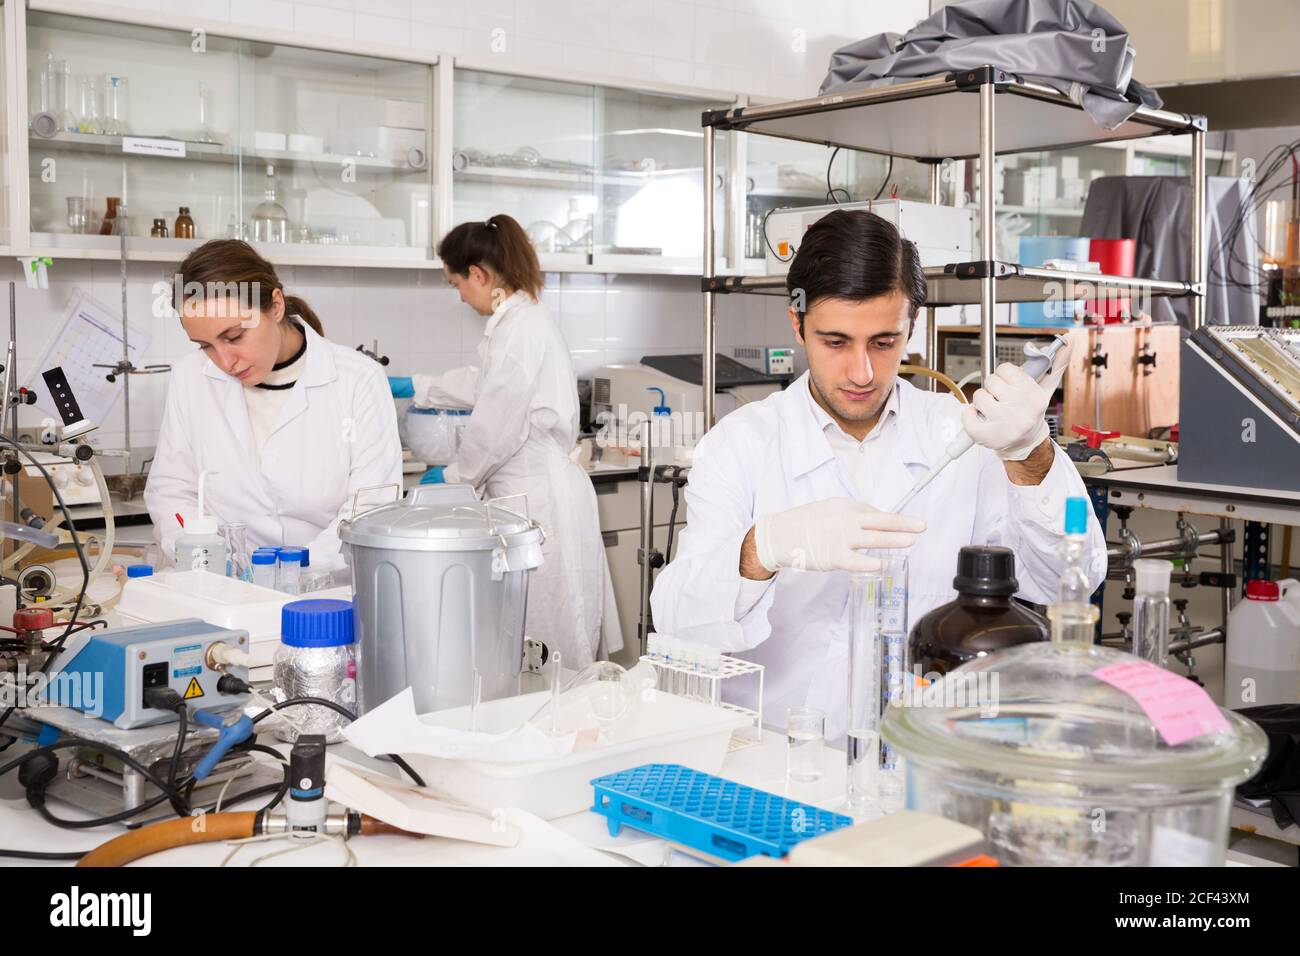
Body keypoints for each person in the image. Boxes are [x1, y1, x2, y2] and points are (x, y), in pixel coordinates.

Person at [650, 210, 1107, 735]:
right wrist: (762, 548)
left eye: (884, 342)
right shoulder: (740, 444)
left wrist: (1030, 452)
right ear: (797, 324)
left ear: (913, 324)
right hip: (769, 752)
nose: (861, 373)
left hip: (922, 751)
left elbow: (1066, 584)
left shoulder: (967, 436)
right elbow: (679, 624)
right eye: (836, 342)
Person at [389, 214, 620, 668]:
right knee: (538, 631)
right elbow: (487, 385)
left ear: (478, 274)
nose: (459, 295)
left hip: (538, 498)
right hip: (531, 494)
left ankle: (559, 729)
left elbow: (495, 429)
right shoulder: (517, 323)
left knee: (549, 637)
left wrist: (452, 478)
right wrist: (418, 384)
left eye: (456, 283)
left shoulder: (519, 331)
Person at [147, 240, 402, 570]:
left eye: (235, 336)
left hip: (328, 594)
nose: (224, 361)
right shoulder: (190, 377)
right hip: (225, 592)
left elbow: (370, 509)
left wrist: (289, 573)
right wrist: (204, 558)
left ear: (276, 306)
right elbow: (171, 490)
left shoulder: (357, 379)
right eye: (205, 346)